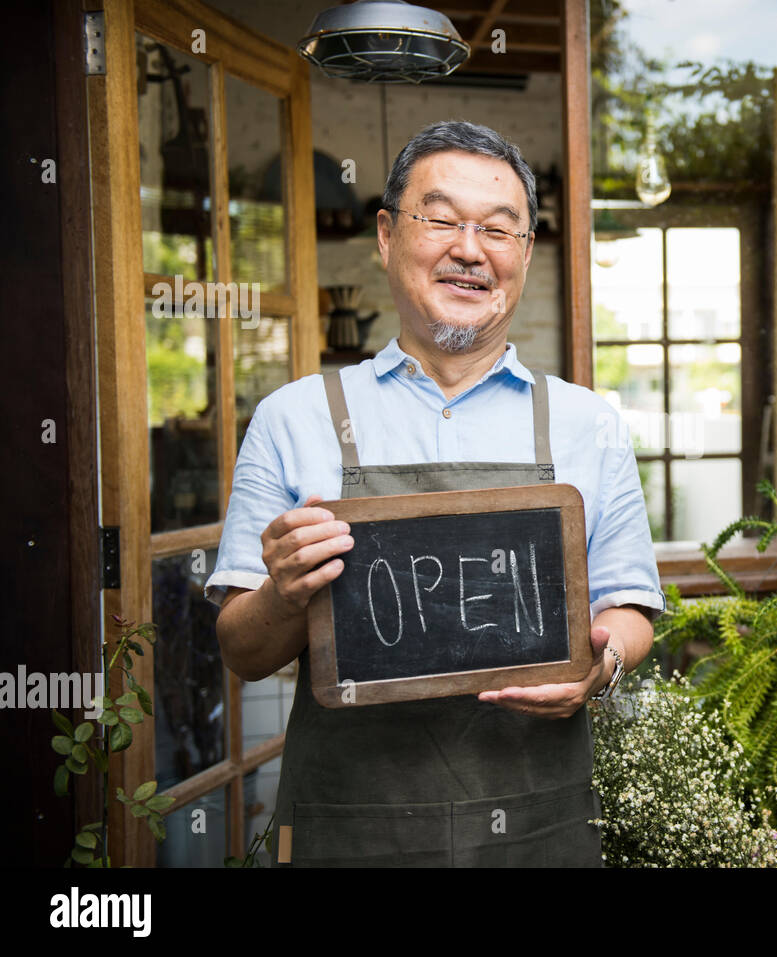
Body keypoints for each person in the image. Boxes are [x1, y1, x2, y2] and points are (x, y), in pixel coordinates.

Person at [205, 120, 664, 867]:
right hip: (349, 830)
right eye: (441, 220)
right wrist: (285, 594)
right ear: (387, 237)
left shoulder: (588, 424)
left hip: (538, 827)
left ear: (525, 252)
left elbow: (629, 606)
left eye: (498, 229)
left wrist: (601, 666)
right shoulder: (295, 418)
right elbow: (242, 649)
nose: (469, 248)